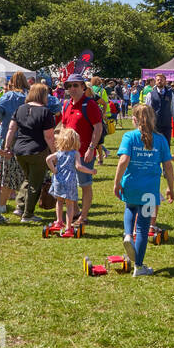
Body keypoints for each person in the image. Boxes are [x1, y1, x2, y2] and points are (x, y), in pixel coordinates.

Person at [114, 104, 174, 276]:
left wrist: (117, 182)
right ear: (153, 119)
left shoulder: (129, 136)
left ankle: (127, 235)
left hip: (131, 186)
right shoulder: (161, 139)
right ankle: (139, 267)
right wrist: (170, 188)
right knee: (142, 227)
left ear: (134, 120)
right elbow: (168, 167)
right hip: (149, 191)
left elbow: (123, 160)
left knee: (130, 208)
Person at [5, 82, 58, 224]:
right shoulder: (46, 112)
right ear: (42, 95)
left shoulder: (20, 109)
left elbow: (11, 129)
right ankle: (28, 215)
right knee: (36, 183)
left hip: (19, 150)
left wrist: (7, 146)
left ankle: (20, 206)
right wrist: (55, 154)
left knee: (28, 179)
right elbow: (49, 137)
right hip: (37, 150)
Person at [59, 73, 103, 230]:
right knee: (67, 185)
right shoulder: (66, 104)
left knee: (85, 184)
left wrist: (92, 148)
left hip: (85, 152)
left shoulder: (89, 104)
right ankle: (76, 211)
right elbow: (64, 127)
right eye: (69, 86)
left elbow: (98, 127)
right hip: (67, 154)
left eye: (75, 85)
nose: (72, 88)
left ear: (83, 87)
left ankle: (83, 217)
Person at [45, 127, 94, 237]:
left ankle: (58, 221)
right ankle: (68, 227)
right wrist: (90, 171)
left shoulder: (59, 153)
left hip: (58, 180)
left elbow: (48, 159)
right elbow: (78, 166)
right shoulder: (75, 153)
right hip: (69, 181)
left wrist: (54, 170)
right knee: (70, 204)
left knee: (59, 201)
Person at [0, 72, 30, 216]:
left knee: (7, 174)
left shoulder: (9, 96)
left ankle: (2, 205)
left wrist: (3, 119)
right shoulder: (30, 95)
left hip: (9, 136)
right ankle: (23, 206)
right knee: (27, 173)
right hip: (27, 137)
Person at [146, 74, 174, 148]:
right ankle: (156, 159)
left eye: (161, 80)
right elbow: (147, 110)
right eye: (158, 80)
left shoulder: (170, 94)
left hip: (167, 124)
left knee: (166, 144)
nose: (160, 81)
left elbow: (173, 109)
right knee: (155, 145)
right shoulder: (150, 94)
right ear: (155, 82)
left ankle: (166, 159)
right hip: (154, 124)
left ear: (165, 81)